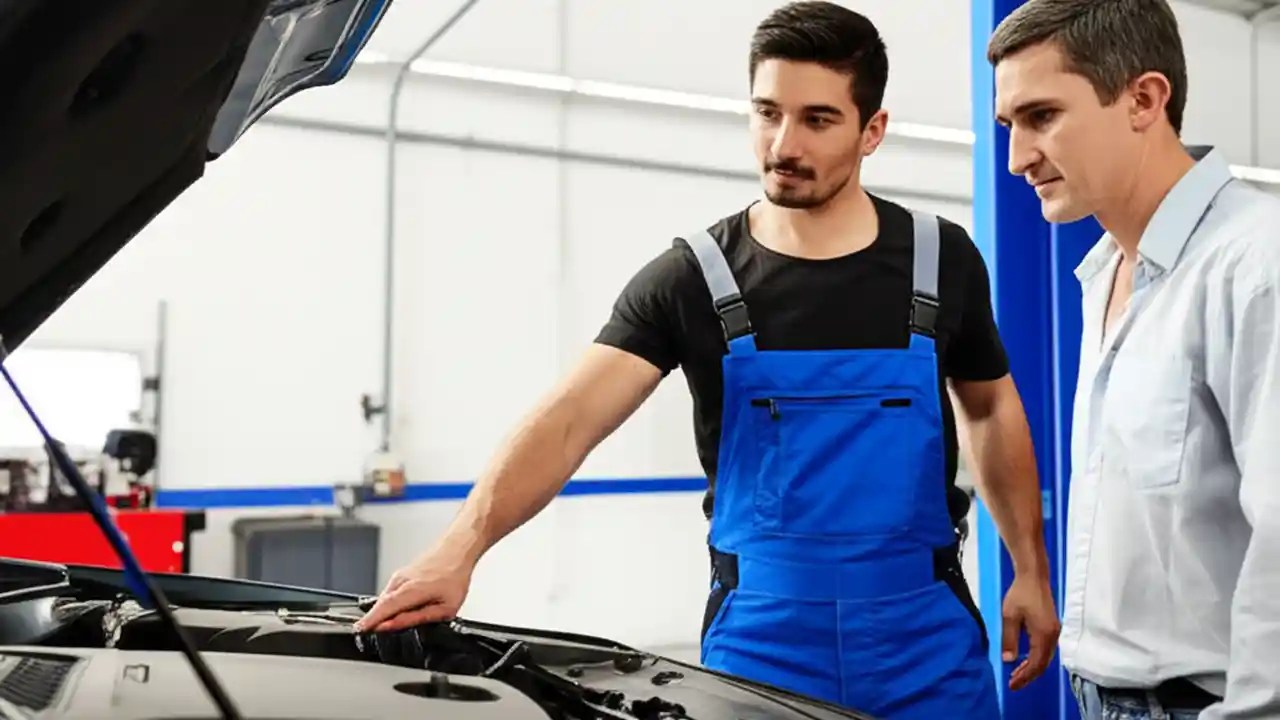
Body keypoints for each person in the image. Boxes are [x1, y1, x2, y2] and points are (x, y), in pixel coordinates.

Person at [358, 2, 1060, 716]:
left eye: (817, 119)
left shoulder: (941, 261)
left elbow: (990, 405)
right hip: (763, 649)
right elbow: (571, 418)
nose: (783, 143)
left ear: (871, 130)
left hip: (925, 647)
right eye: (767, 112)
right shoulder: (693, 277)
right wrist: (459, 548)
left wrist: (1030, 566)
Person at [987, 2, 1280, 719]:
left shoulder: (1254, 266)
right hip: (1101, 698)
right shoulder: (1105, 274)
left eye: (1042, 117)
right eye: (1009, 126)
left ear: (1144, 99)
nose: (1017, 158)